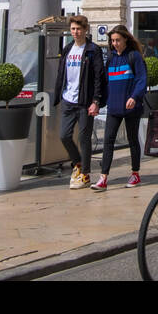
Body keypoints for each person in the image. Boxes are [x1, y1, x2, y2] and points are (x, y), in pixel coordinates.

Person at [92, 25, 148, 191]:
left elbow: (142, 80)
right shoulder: (110, 58)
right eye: (112, 40)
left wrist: (134, 97)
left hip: (132, 107)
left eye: (117, 40)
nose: (114, 43)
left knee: (132, 140)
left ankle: (135, 173)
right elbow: (106, 83)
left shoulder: (134, 56)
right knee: (108, 141)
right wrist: (98, 102)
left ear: (125, 39)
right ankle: (103, 178)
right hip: (114, 107)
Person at [56, 15, 106, 190]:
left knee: (84, 138)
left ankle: (85, 174)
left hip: (85, 101)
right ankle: (77, 163)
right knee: (64, 135)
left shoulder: (93, 50)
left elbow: (99, 77)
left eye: (78, 29)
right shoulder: (68, 49)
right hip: (68, 100)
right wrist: (59, 95)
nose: (75, 32)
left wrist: (96, 101)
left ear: (85, 30)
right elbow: (62, 73)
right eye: (73, 29)